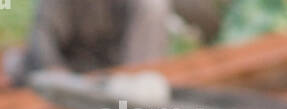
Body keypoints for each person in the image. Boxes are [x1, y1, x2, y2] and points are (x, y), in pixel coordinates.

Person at [15, 0, 230, 79]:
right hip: (73, 73)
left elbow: (202, 15)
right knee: (13, 63)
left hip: (122, 75)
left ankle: (140, 89)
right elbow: (42, 35)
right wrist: (55, 70)